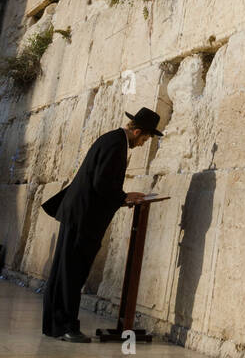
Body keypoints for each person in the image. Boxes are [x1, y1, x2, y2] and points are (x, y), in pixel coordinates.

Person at [40, 107, 164, 342]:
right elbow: (102, 184)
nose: (145, 142)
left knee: (65, 271)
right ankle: (66, 326)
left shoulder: (112, 140)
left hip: (78, 214)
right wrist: (124, 197)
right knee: (72, 273)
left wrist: (124, 195)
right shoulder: (116, 144)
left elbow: (102, 182)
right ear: (137, 131)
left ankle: (55, 325)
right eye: (146, 137)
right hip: (84, 217)